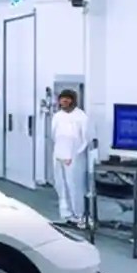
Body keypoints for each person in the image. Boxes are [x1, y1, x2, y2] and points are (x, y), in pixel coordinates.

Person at [50, 89, 90, 224]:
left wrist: (75, 155)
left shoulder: (81, 117)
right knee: (60, 185)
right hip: (59, 155)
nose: (64, 101)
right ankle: (65, 214)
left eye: (67, 99)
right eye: (62, 99)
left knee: (75, 186)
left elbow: (86, 140)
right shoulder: (57, 116)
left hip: (74, 158)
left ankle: (79, 215)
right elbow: (53, 135)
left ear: (73, 100)